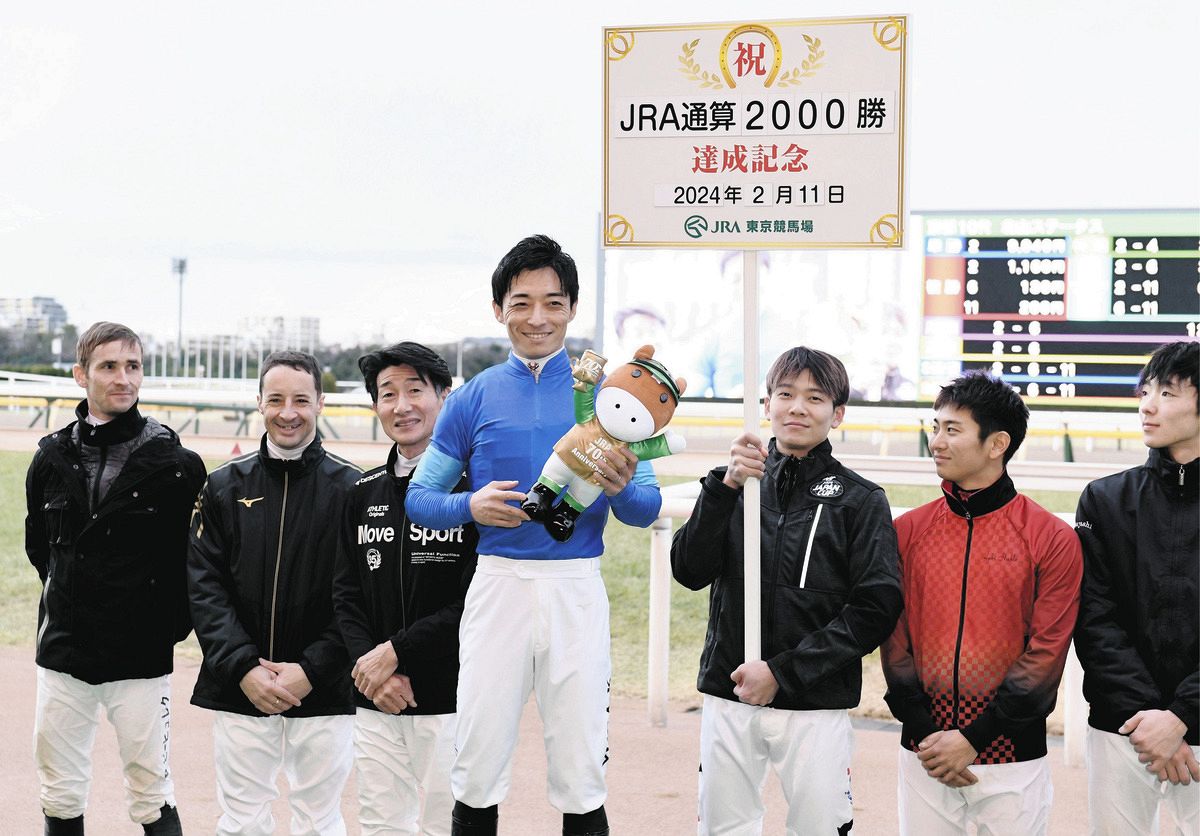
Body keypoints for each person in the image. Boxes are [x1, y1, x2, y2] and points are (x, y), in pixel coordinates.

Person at [406, 234, 662, 836]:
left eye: (552, 302)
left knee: (580, 767)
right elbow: (420, 499)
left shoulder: (612, 394)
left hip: (576, 587)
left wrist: (622, 483)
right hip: (497, 589)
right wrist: (472, 505)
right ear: (499, 309)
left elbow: (645, 508)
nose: (537, 318)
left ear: (572, 307)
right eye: (521, 303)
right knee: (477, 761)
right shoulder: (471, 397)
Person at [670, 346, 902, 835]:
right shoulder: (733, 486)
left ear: (837, 414)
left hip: (814, 703)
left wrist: (783, 672)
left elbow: (874, 609)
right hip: (730, 690)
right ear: (767, 404)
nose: (797, 407)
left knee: (819, 827)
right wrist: (724, 489)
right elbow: (688, 570)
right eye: (785, 394)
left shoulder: (861, 500)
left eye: (814, 398)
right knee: (722, 827)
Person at [881, 372, 1083, 835]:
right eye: (935, 427)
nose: (936, 441)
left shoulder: (1050, 537)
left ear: (997, 444)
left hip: (1012, 758)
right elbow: (894, 642)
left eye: (952, 430)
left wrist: (972, 740)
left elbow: (1046, 656)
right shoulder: (907, 531)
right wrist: (929, 735)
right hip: (925, 753)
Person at [25, 321, 206, 835]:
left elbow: (196, 563)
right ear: (82, 374)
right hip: (63, 654)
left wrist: (163, 627)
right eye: (109, 366)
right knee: (59, 792)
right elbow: (40, 549)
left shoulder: (177, 464)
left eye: (133, 366)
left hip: (141, 659)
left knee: (152, 794)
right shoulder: (49, 458)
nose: (123, 378)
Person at [188, 350, 361, 835]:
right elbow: (205, 588)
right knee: (242, 821)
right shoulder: (222, 485)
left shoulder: (354, 489)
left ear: (321, 403)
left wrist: (312, 669)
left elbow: (359, 597)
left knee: (319, 820)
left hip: (324, 686)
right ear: (259, 402)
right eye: (277, 399)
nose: (289, 412)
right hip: (241, 683)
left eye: (301, 400)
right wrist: (242, 666)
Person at [333, 342, 478, 835]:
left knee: (449, 823)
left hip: (451, 698)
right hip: (375, 694)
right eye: (387, 394)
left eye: (415, 391)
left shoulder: (473, 492)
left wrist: (397, 652)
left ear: (444, 396)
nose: (402, 406)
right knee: (380, 824)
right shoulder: (361, 492)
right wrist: (372, 669)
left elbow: (476, 601)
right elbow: (344, 593)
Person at [1074, 340, 1199, 835]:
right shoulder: (1104, 499)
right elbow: (1092, 616)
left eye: (1167, 393)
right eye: (1146, 391)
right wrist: (1150, 720)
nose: (1148, 405)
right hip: (1122, 727)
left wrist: (1182, 716)